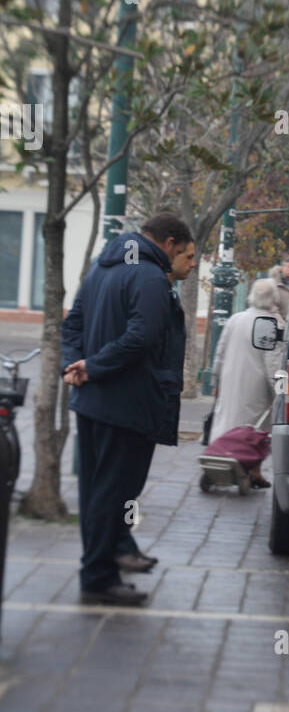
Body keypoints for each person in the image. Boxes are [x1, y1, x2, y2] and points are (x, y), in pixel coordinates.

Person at [61, 212, 194, 607]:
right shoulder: (151, 277)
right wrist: (93, 367)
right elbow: (142, 337)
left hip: (92, 401)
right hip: (126, 403)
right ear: (168, 244)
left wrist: (76, 366)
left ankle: (114, 553)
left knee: (96, 491)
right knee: (112, 493)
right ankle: (98, 578)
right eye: (186, 255)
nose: (189, 264)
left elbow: (73, 327)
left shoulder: (100, 270)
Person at [210, 277, 283, 487]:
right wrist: (279, 391)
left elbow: (220, 351)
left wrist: (215, 377)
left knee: (227, 421)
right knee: (255, 429)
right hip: (256, 387)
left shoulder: (235, 319)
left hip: (230, 380)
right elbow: (273, 362)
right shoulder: (269, 324)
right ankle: (253, 470)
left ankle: (220, 459)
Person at [269, 253, 289, 324]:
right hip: (280, 326)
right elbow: (273, 309)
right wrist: (283, 325)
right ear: (282, 268)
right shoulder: (273, 285)